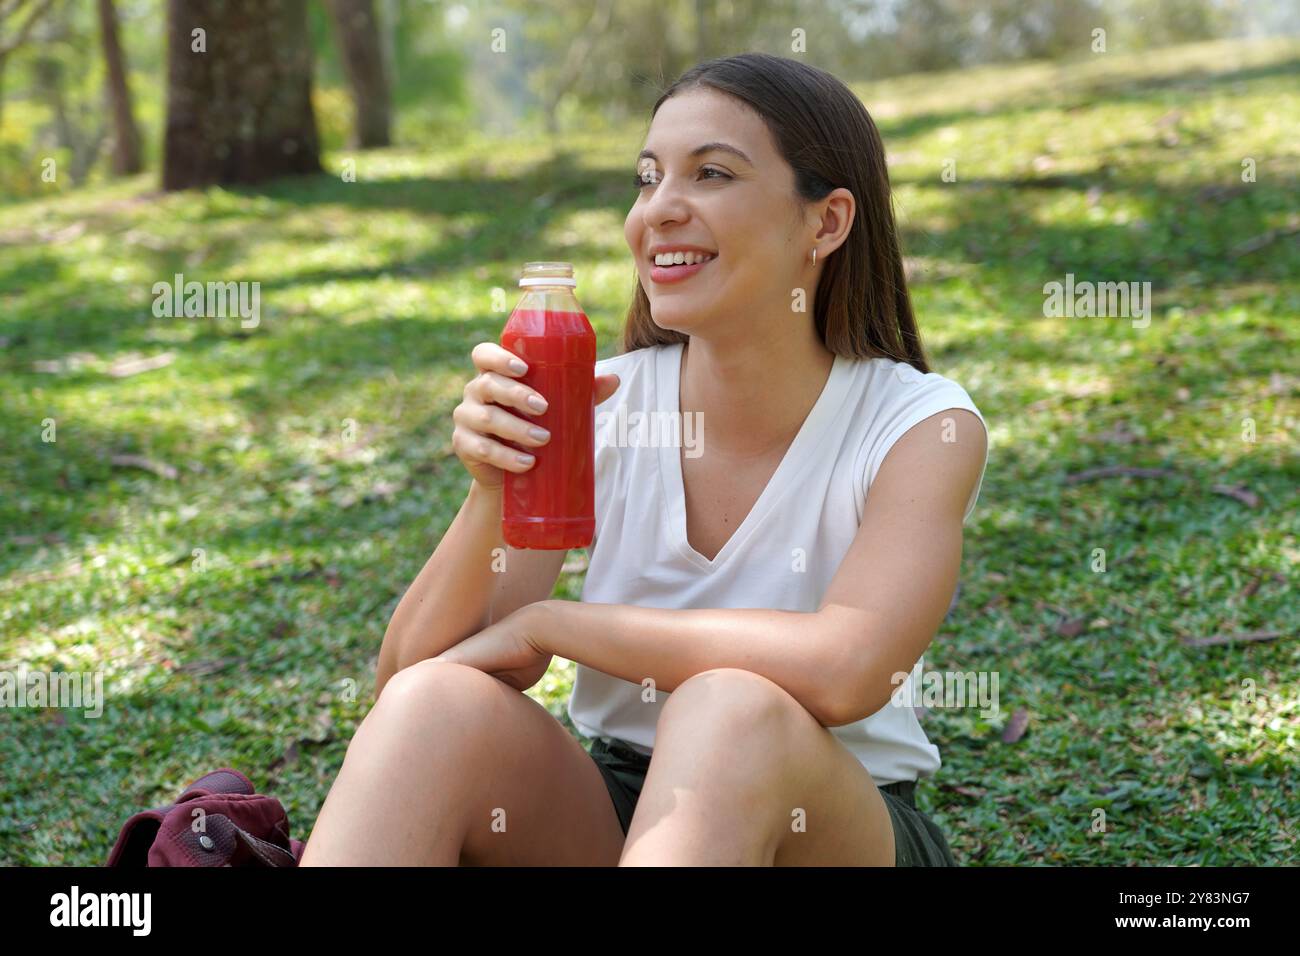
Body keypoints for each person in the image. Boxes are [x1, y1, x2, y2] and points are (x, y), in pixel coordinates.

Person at [299, 51, 988, 867]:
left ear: (826, 222)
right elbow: (410, 685)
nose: (659, 210)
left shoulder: (917, 423)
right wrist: (495, 489)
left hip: (832, 822)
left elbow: (846, 670)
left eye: (712, 175)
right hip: (624, 812)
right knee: (435, 707)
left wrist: (556, 623)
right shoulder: (600, 402)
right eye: (649, 177)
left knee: (727, 709)